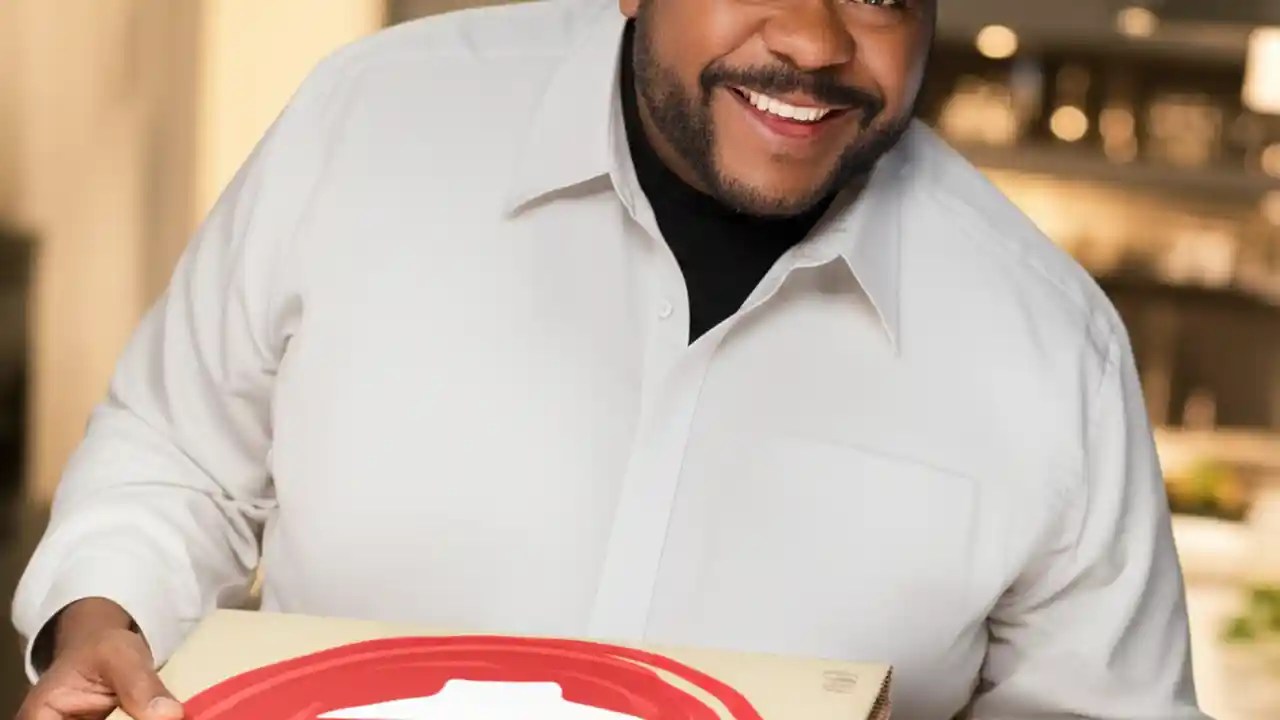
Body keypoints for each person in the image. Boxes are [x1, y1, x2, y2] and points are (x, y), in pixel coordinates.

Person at [13, 0, 1208, 718]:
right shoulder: (368, 126)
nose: (810, 40)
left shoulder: (1052, 353)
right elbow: (177, 458)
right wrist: (101, 615)